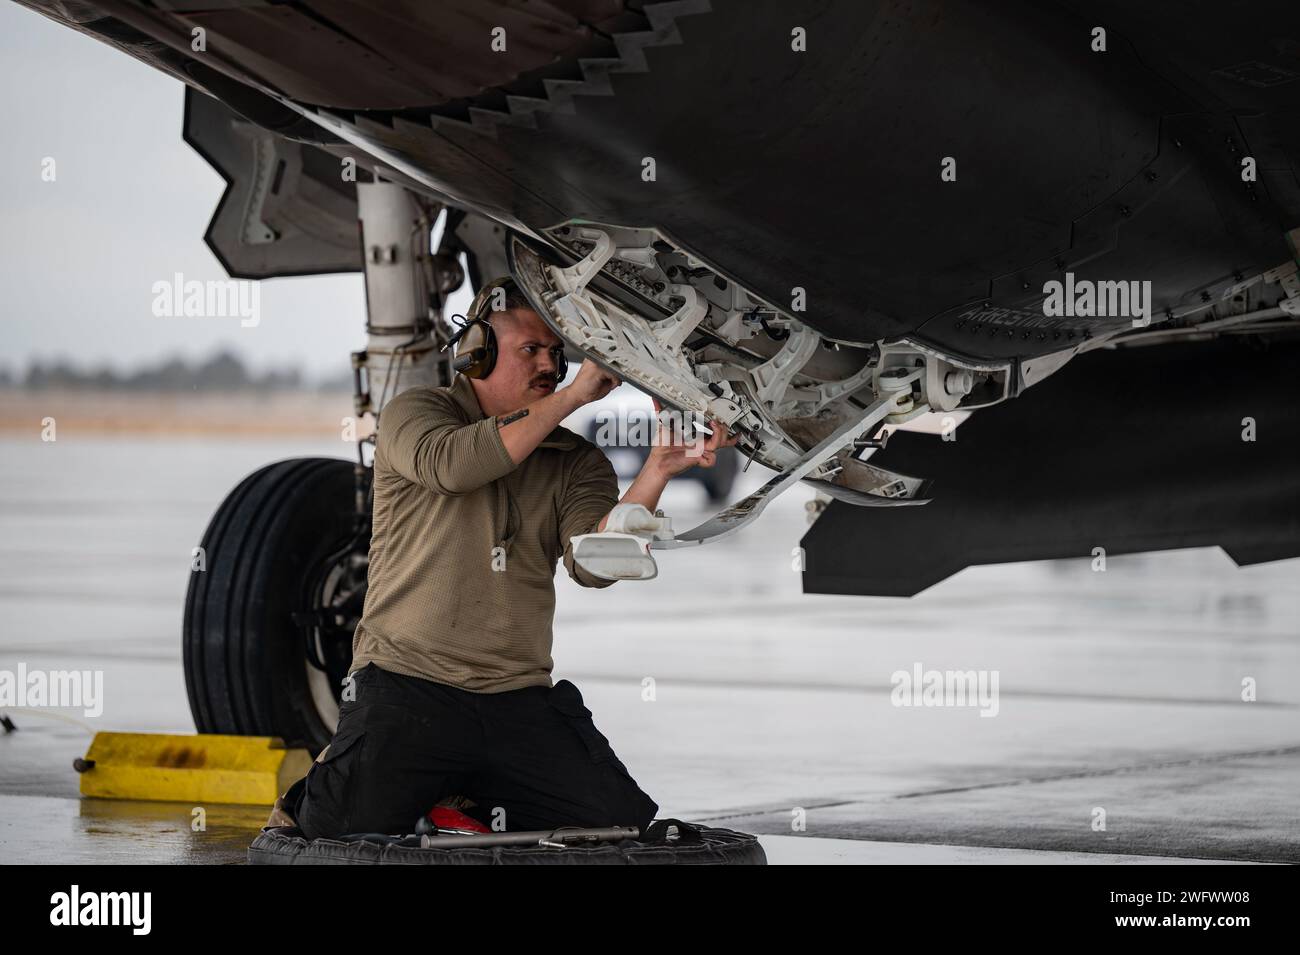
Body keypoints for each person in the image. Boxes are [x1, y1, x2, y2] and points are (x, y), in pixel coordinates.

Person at [281, 276, 735, 839]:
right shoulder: (415, 415)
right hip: (408, 686)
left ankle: (462, 799)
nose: (549, 366)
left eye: (556, 354)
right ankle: (346, 787)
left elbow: (593, 566)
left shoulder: (574, 460)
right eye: (530, 351)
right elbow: (453, 467)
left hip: (516, 698)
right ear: (476, 355)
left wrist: (656, 471)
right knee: (338, 830)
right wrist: (572, 399)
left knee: (614, 829)